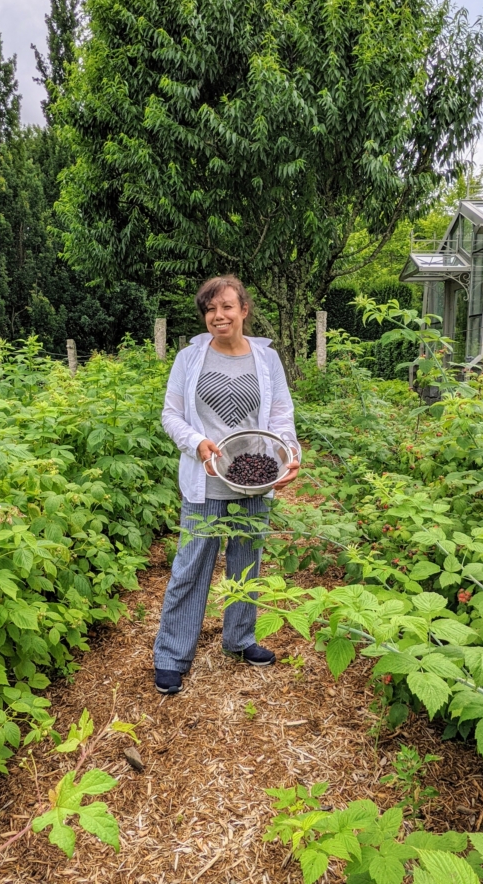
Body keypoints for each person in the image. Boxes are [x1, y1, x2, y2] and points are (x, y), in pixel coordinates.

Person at [153, 275, 300, 695]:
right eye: (210, 309)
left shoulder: (266, 359)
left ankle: (239, 640)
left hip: (254, 480)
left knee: (247, 564)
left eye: (227, 307)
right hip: (207, 482)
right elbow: (171, 414)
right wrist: (197, 443)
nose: (218, 316)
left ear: (243, 310)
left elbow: (280, 415)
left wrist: (289, 453)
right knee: (190, 567)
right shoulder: (189, 358)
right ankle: (171, 656)